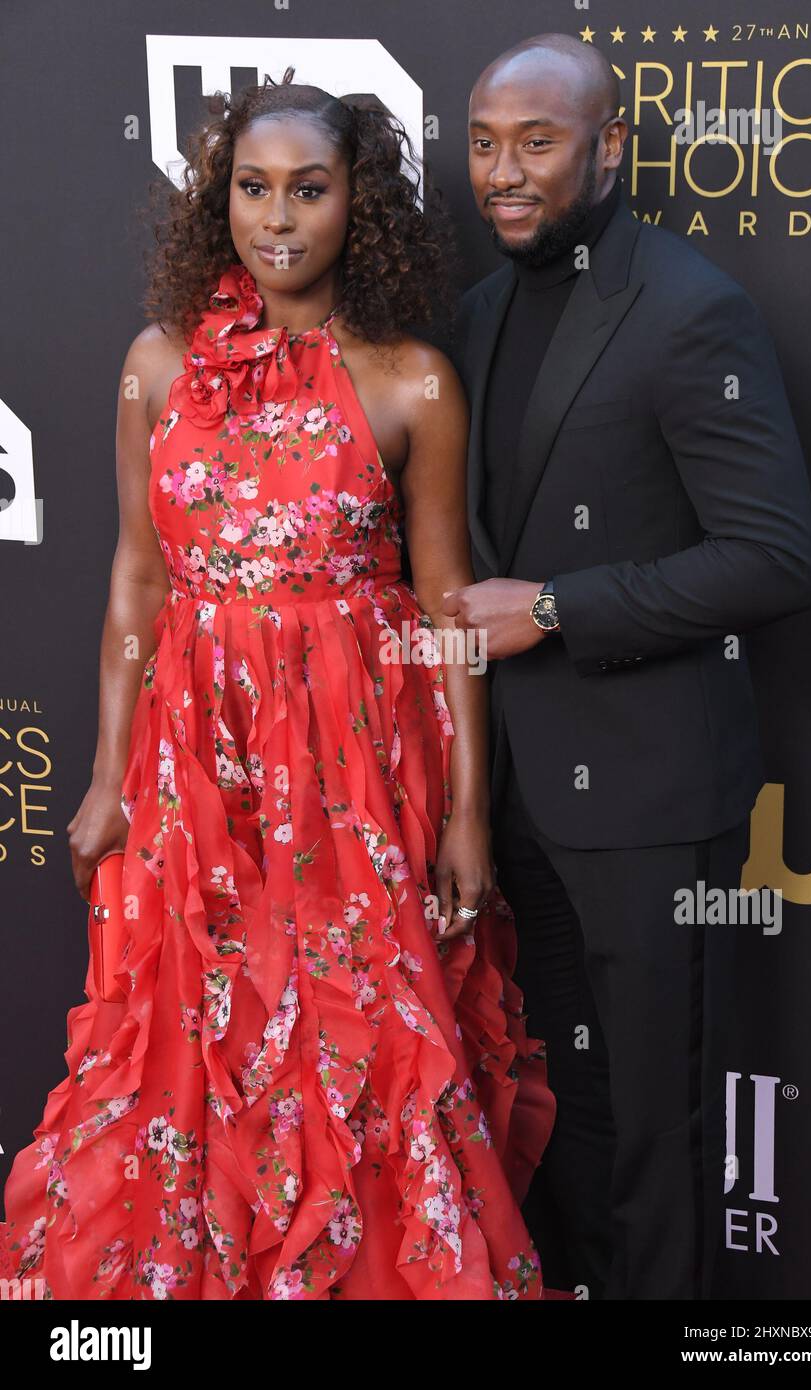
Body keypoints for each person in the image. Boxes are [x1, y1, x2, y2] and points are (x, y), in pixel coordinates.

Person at [0, 69, 555, 1301]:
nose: (279, 218)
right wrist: (103, 782)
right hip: (191, 761)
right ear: (219, 201)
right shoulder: (157, 364)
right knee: (190, 1040)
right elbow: (137, 584)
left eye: (309, 188)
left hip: (354, 763)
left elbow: (446, 608)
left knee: (355, 1035)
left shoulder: (412, 379)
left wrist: (463, 814)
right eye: (252, 189)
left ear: (358, 203)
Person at [445, 35, 811, 1299]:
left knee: (657, 1132)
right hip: (512, 806)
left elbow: (774, 558)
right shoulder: (479, 311)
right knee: (563, 1114)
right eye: (485, 141)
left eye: (535, 143)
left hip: (651, 809)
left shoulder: (686, 306)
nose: (503, 170)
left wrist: (552, 604)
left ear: (607, 147)